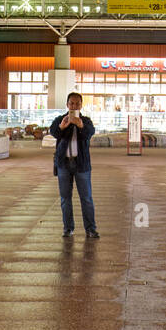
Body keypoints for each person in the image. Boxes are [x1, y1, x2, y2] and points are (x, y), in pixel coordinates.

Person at [50, 92, 99, 239]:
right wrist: (62, 126)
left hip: (81, 165)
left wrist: (80, 125)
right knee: (65, 198)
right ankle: (68, 228)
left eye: (77, 103)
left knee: (86, 198)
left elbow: (90, 133)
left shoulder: (86, 121)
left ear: (81, 105)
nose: (74, 106)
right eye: (71, 103)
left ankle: (91, 229)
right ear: (67, 104)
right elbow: (53, 132)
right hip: (64, 164)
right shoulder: (60, 119)